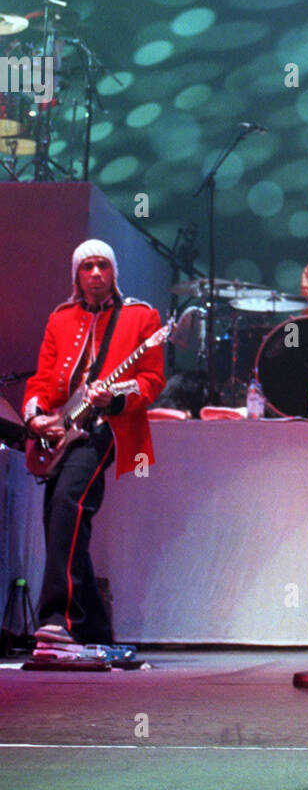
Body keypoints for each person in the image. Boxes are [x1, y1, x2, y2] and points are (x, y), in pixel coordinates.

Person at [22, 240, 165, 649]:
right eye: (88, 267)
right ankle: (93, 627)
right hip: (62, 429)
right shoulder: (60, 318)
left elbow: (153, 381)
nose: (96, 273)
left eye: (103, 265)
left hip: (108, 427)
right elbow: (42, 379)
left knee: (68, 501)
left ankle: (57, 619)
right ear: (77, 276)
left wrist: (114, 398)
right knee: (60, 516)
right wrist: (36, 417)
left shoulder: (141, 316)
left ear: (114, 272)